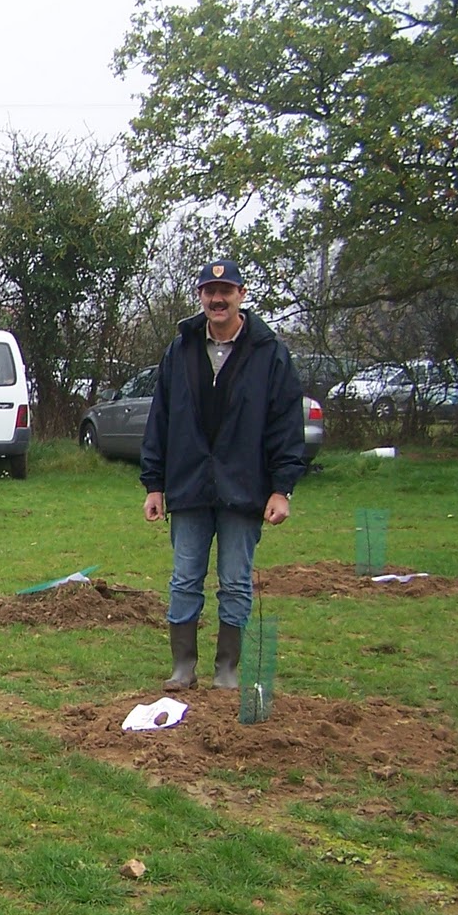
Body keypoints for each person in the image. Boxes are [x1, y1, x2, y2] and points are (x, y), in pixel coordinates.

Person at [140, 259, 305, 690]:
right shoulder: (181, 349)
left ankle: (227, 669)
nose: (217, 299)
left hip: (245, 488)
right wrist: (153, 484)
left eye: (226, 290)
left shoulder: (270, 353)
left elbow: (285, 424)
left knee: (235, 581)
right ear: (200, 297)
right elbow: (160, 418)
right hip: (189, 485)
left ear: (241, 295)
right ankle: (183, 667)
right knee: (184, 579)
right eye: (209, 291)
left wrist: (282, 489)